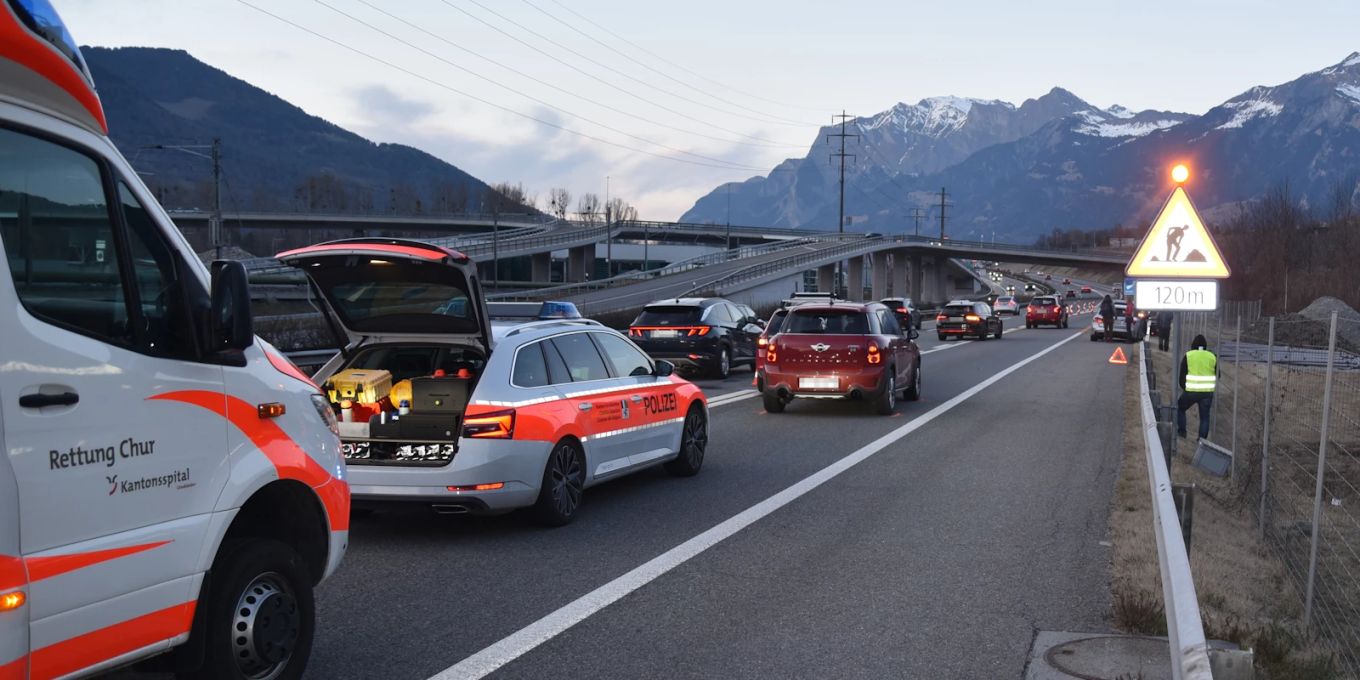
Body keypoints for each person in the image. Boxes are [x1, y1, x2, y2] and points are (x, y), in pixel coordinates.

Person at [1177, 334, 1218, 440]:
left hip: (1191, 392)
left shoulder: (1189, 355)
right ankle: (1201, 440)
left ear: (1193, 345)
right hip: (1207, 393)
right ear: (1205, 346)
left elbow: (1182, 376)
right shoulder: (1212, 356)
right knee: (1205, 417)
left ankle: (1182, 432)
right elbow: (1218, 375)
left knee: (1180, 407)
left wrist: (1185, 388)